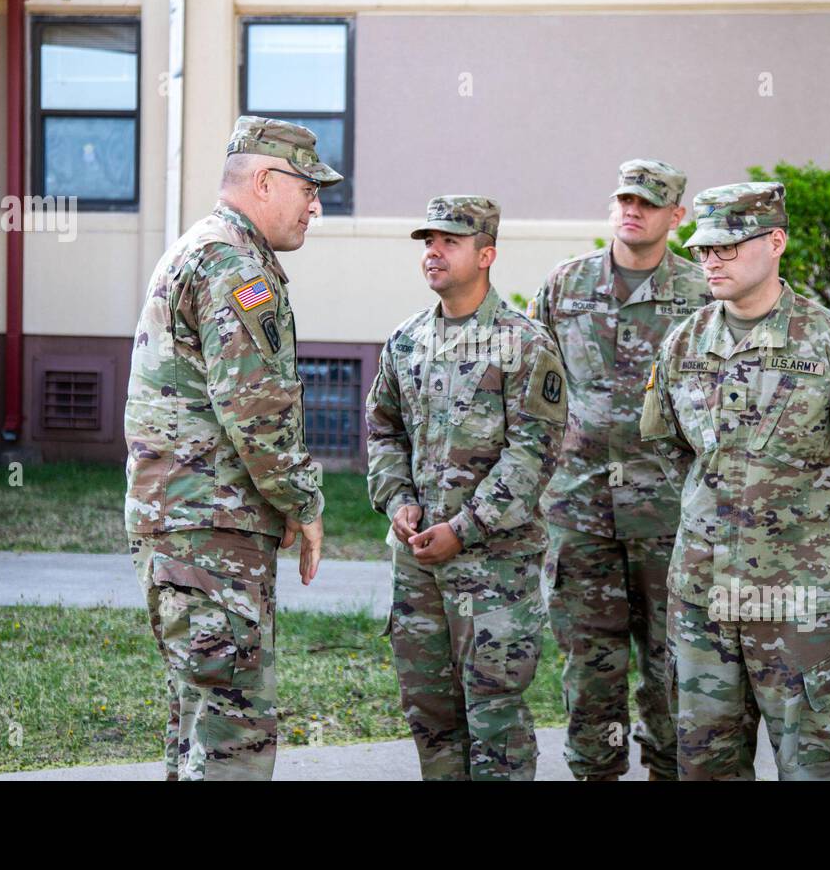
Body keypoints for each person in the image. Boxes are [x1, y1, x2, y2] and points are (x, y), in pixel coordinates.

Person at [641, 181, 830, 780]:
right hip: (704, 593)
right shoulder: (683, 343)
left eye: (729, 247)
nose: (711, 260)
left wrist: (817, 534)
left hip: (802, 599)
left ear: (777, 242)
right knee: (705, 765)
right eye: (705, 248)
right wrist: (719, 510)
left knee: (810, 764)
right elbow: (668, 447)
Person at [125, 115, 337, 780]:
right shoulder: (235, 265)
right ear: (268, 183)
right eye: (309, 188)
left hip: (184, 526)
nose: (316, 206)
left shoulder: (200, 248)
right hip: (210, 533)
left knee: (198, 724)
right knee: (232, 739)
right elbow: (257, 412)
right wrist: (305, 504)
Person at [366, 195, 567, 780]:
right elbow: (384, 429)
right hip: (418, 566)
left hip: (493, 569)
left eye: (449, 241)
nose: (433, 252)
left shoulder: (525, 343)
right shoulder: (405, 340)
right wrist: (398, 499)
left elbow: (533, 453)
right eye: (429, 241)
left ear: (487, 255)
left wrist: (464, 528)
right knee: (430, 713)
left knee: (494, 716)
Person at [529, 158, 709, 781]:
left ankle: (667, 769)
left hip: (671, 513)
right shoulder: (564, 286)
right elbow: (534, 390)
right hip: (580, 513)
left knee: (673, 664)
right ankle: (594, 772)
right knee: (588, 664)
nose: (633, 211)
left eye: (649, 203)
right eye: (625, 200)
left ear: (675, 217)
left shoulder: (701, 295)